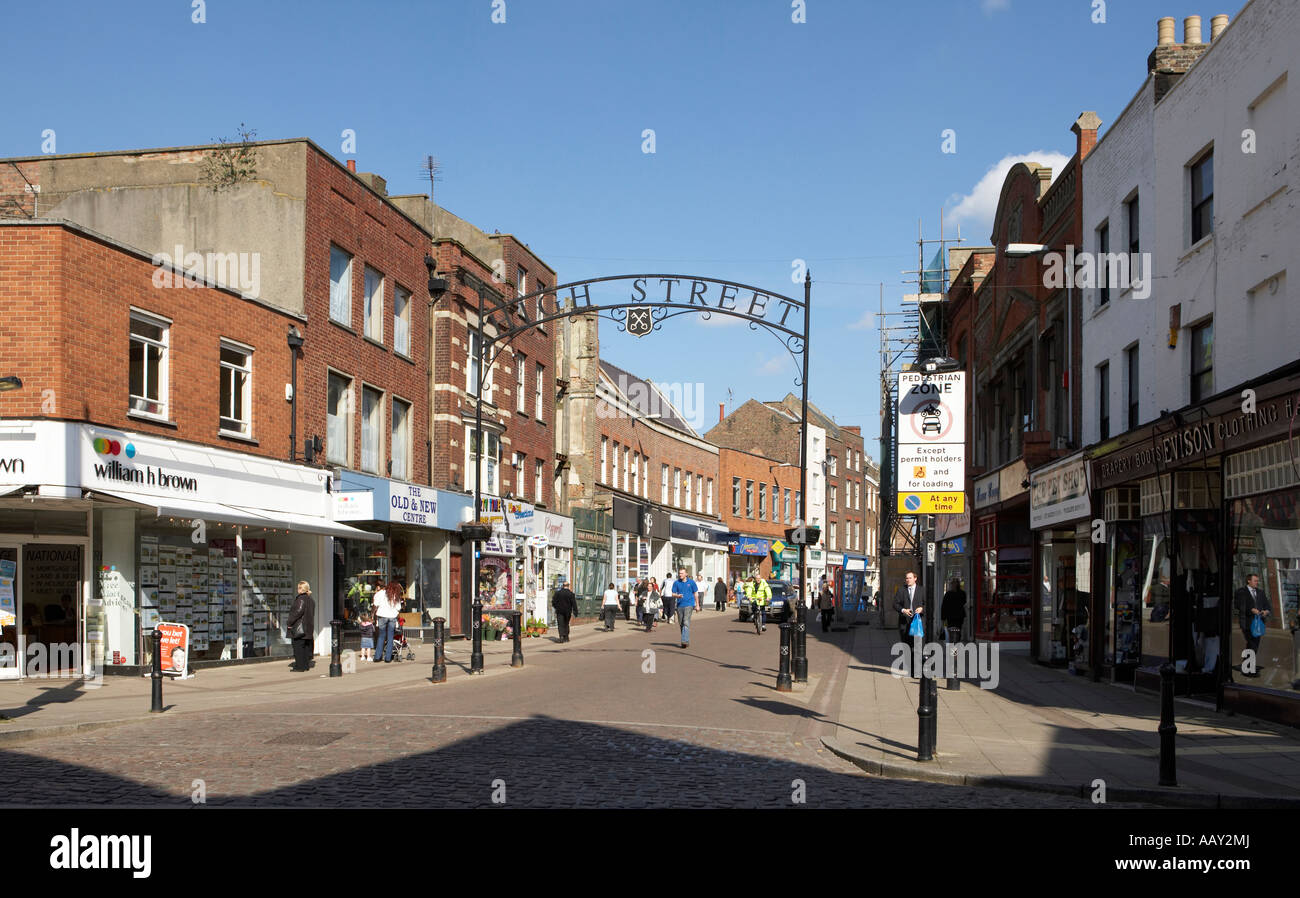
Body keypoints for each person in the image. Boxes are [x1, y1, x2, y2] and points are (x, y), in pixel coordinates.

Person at [1233, 573, 1271, 676]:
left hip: (1258, 623)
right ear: (1248, 581)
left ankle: (1246, 665)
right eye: (1255, 580)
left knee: (1254, 645)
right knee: (1251, 644)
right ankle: (1248, 668)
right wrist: (1251, 610)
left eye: (1257, 581)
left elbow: (1267, 605)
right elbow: (1238, 605)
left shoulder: (1261, 592)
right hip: (1247, 622)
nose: (1257, 582)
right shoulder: (1241, 592)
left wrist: (1266, 611)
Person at [287, 580, 316, 672]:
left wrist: (290, 622)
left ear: (300, 588)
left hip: (300, 627)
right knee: (306, 647)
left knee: (298, 647)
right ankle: (305, 665)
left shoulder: (301, 599)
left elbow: (297, 612)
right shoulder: (311, 600)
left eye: (298, 587)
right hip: (308, 628)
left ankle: (299, 666)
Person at [373, 580, 402, 663]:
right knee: (390, 637)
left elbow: (375, 604)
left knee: (381, 636)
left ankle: (378, 657)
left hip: (382, 616)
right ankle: (388, 658)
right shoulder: (395, 595)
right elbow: (398, 608)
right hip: (392, 617)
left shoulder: (380, 593)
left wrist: (373, 615)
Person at [671, 568, 699, 647]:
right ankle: (685, 639)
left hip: (689, 604)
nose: (680, 575)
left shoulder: (691, 582)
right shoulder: (676, 583)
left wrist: (697, 605)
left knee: (686, 622)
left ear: (686, 574)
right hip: (680, 605)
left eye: (682, 573)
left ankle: (684, 641)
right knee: (681, 623)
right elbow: (673, 593)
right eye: (679, 573)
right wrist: (677, 595)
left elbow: (696, 593)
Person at [893, 571, 922, 645]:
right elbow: (895, 604)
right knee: (906, 646)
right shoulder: (901, 590)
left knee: (917, 646)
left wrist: (922, 609)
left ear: (915, 578)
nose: (908, 580)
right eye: (906, 578)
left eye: (910, 578)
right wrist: (903, 610)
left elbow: (927, 603)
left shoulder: (921, 590)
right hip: (904, 623)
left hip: (917, 622)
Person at [941, 578, 967, 643]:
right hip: (955, 617)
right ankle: (954, 650)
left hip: (954, 618)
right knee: (955, 634)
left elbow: (944, 606)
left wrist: (943, 618)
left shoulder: (949, 594)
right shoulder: (962, 593)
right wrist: (943, 618)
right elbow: (944, 606)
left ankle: (954, 651)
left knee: (954, 634)